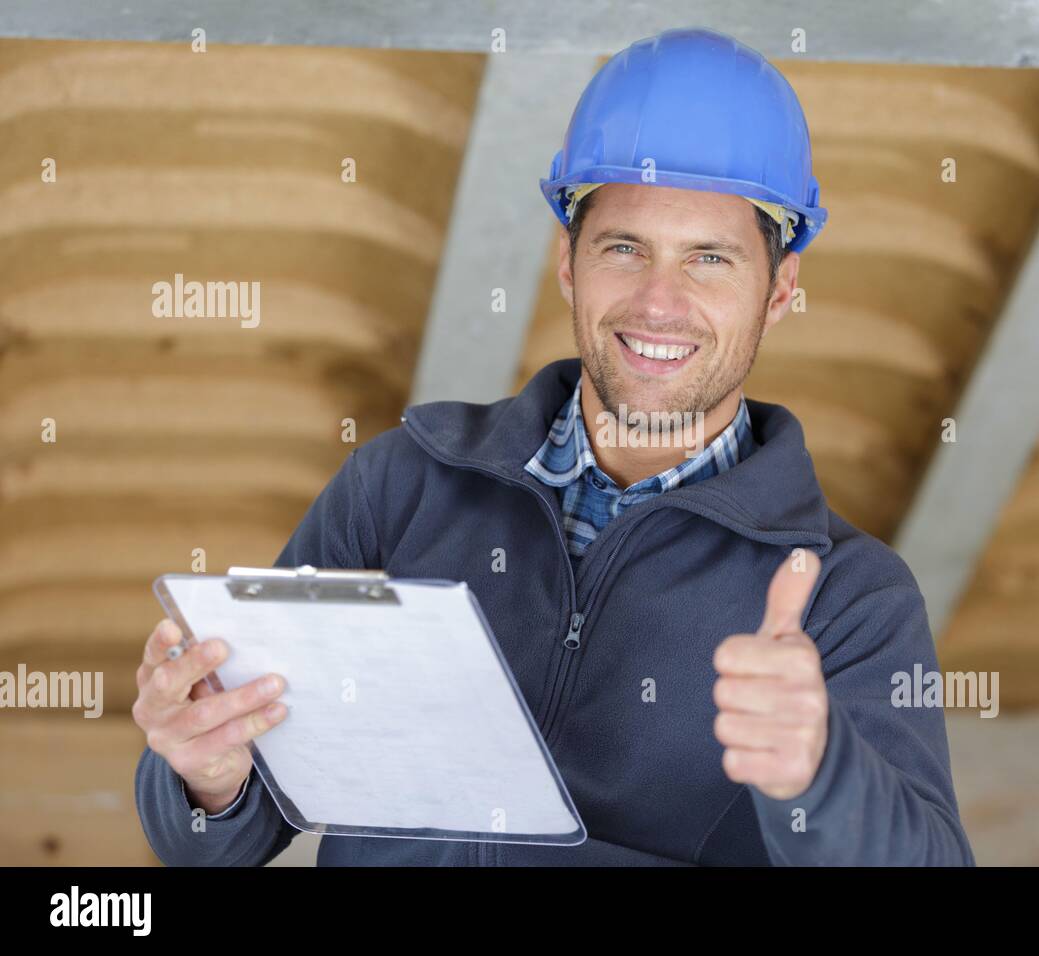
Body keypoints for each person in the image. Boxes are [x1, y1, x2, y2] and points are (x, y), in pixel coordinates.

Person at [132, 26, 975, 866]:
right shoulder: (399, 489)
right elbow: (226, 842)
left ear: (780, 288)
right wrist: (208, 777)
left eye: (709, 260)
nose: (658, 302)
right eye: (623, 248)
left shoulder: (848, 597)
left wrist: (822, 775)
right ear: (568, 262)